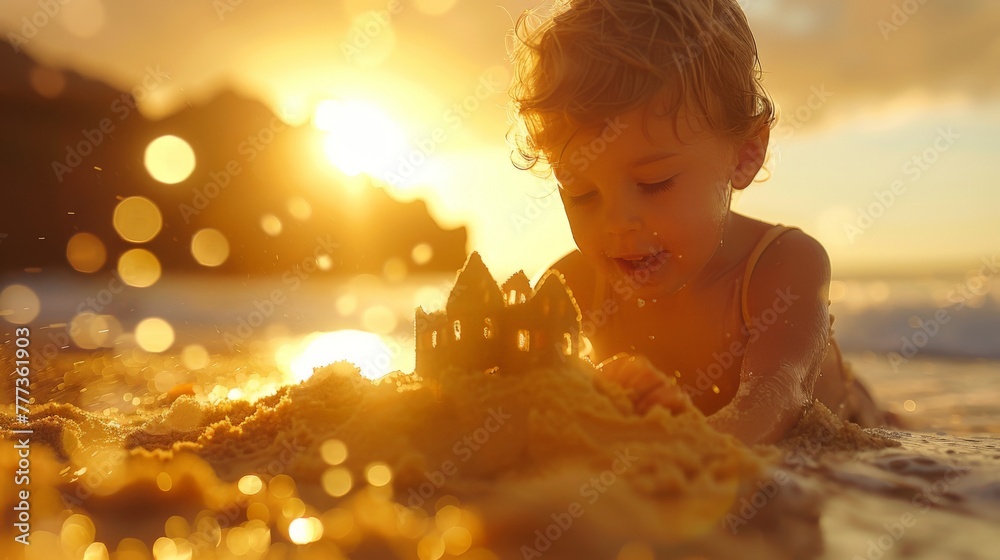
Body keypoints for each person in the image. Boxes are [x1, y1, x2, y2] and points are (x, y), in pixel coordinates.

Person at [508, 0, 889, 444]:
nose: (617, 223)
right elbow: (520, 397)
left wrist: (682, 439)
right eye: (581, 192)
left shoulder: (781, 266)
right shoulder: (571, 288)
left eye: (655, 183)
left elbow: (776, 396)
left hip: (866, 434)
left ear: (745, 153)